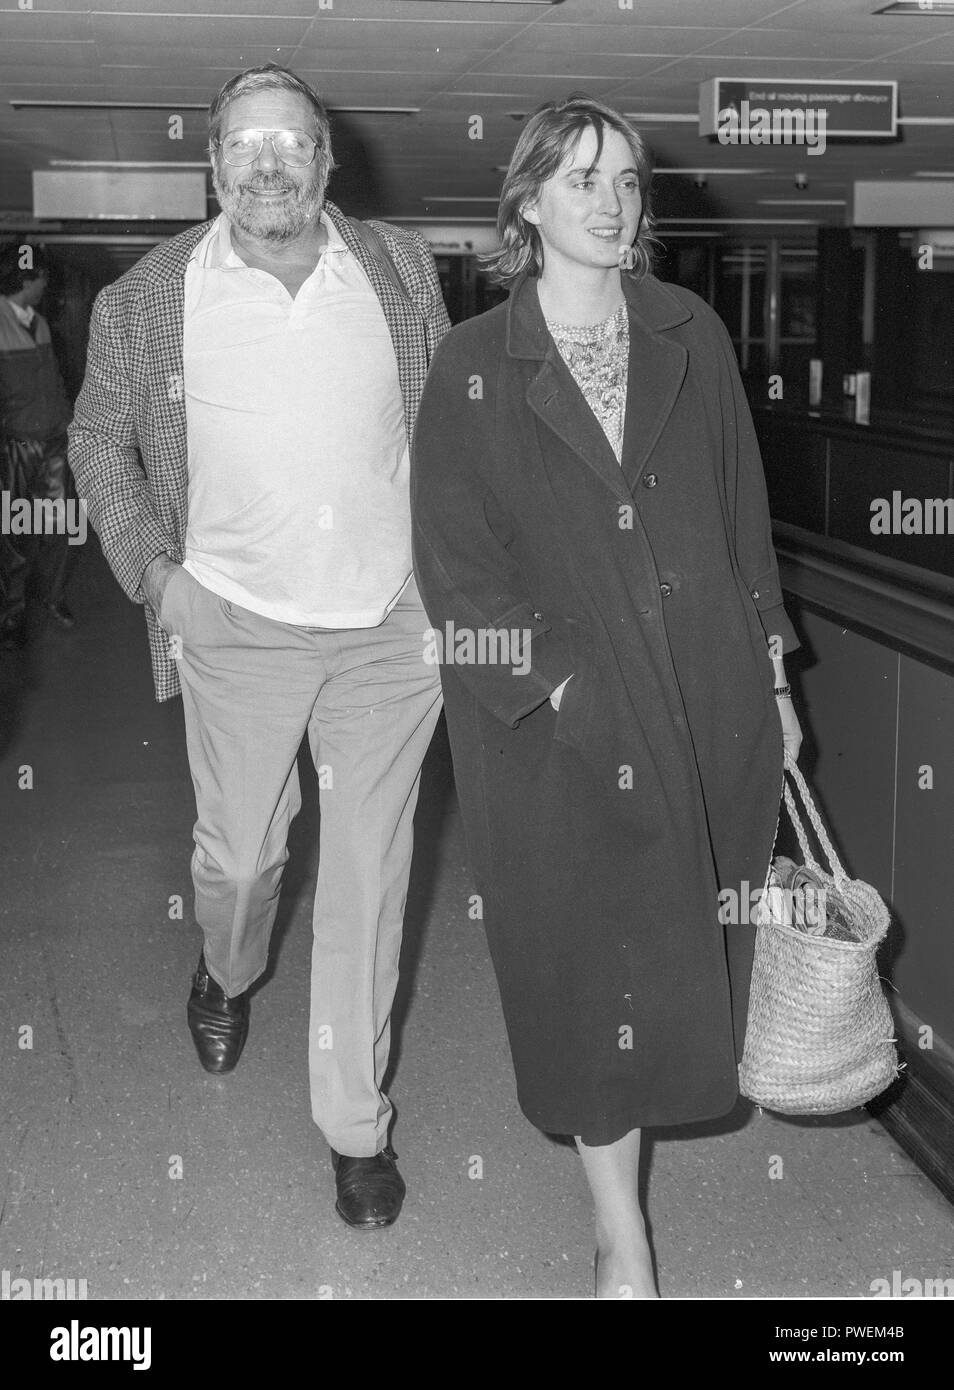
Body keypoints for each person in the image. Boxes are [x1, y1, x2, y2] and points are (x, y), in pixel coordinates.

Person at [410, 96, 804, 1296]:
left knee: (684, 956)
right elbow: (455, 580)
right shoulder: (473, 365)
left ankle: (624, 1211)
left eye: (628, 180)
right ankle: (619, 1233)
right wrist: (567, 686)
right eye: (581, 180)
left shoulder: (693, 331)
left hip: (705, 702)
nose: (612, 202)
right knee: (586, 979)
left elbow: (744, 520)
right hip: (558, 731)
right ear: (527, 205)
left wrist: (772, 671)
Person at [69, 63, 449, 1228]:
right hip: (233, 622)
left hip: (388, 632)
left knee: (370, 883)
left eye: (291, 142)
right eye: (245, 144)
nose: (269, 161)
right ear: (213, 165)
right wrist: (159, 580)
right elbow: (97, 442)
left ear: (328, 163)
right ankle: (226, 968)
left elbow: (447, 428)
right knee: (241, 860)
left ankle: (355, 1126)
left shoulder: (396, 268)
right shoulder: (146, 298)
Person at [0, 245, 77, 646]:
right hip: (17, 444)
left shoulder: (42, 325)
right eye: (42, 277)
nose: (47, 283)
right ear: (25, 280)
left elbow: (55, 384)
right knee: (14, 529)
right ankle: (10, 615)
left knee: (59, 523)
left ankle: (51, 597)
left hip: (53, 441)